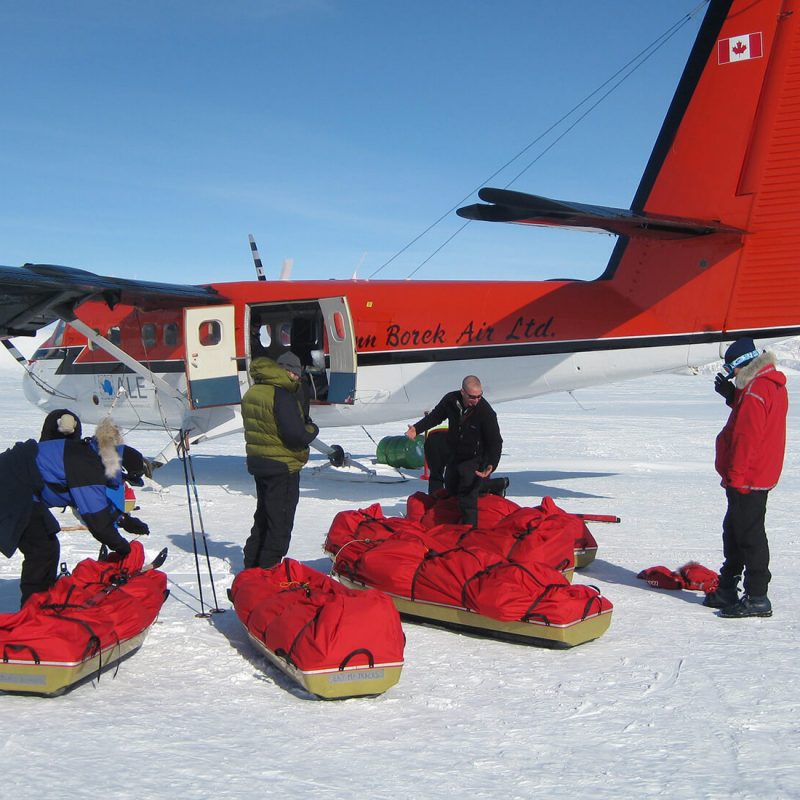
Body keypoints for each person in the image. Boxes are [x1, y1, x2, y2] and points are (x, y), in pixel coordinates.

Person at [0, 410, 147, 606]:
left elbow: (95, 504)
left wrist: (123, 519)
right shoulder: (87, 467)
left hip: (21, 488)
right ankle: (34, 611)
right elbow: (97, 521)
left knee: (46, 541)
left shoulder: (91, 455)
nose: (123, 482)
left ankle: (40, 603)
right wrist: (123, 548)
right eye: (126, 477)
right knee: (42, 549)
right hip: (11, 488)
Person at [704, 338, 788, 618]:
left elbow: (746, 437)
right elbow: (756, 417)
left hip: (748, 477)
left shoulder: (754, 391)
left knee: (748, 535)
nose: (734, 376)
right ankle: (728, 587)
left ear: (744, 366)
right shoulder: (765, 384)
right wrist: (732, 396)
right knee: (735, 530)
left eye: (734, 371)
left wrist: (736, 477)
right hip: (757, 473)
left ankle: (757, 596)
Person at [241, 352, 319, 570]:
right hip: (282, 466)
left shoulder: (253, 392)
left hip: (259, 462)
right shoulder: (282, 395)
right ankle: (266, 574)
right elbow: (296, 435)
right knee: (279, 526)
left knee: (263, 519)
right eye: (296, 375)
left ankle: (251, 569)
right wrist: (311, 429)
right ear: (290, 373)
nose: (297, 380)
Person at [406, 375, 502, 526]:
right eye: (472, 397)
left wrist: (491, 464)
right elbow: (435, 417)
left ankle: (469, 531)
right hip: (456, 453)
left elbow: (495, 441)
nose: (476, 400)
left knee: (467, 495)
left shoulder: (486, 412)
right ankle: (495, 485)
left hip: (475, 457)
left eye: (479, 396)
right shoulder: (451, 400)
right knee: (452, 488)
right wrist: (416, 429)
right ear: (462, 392)